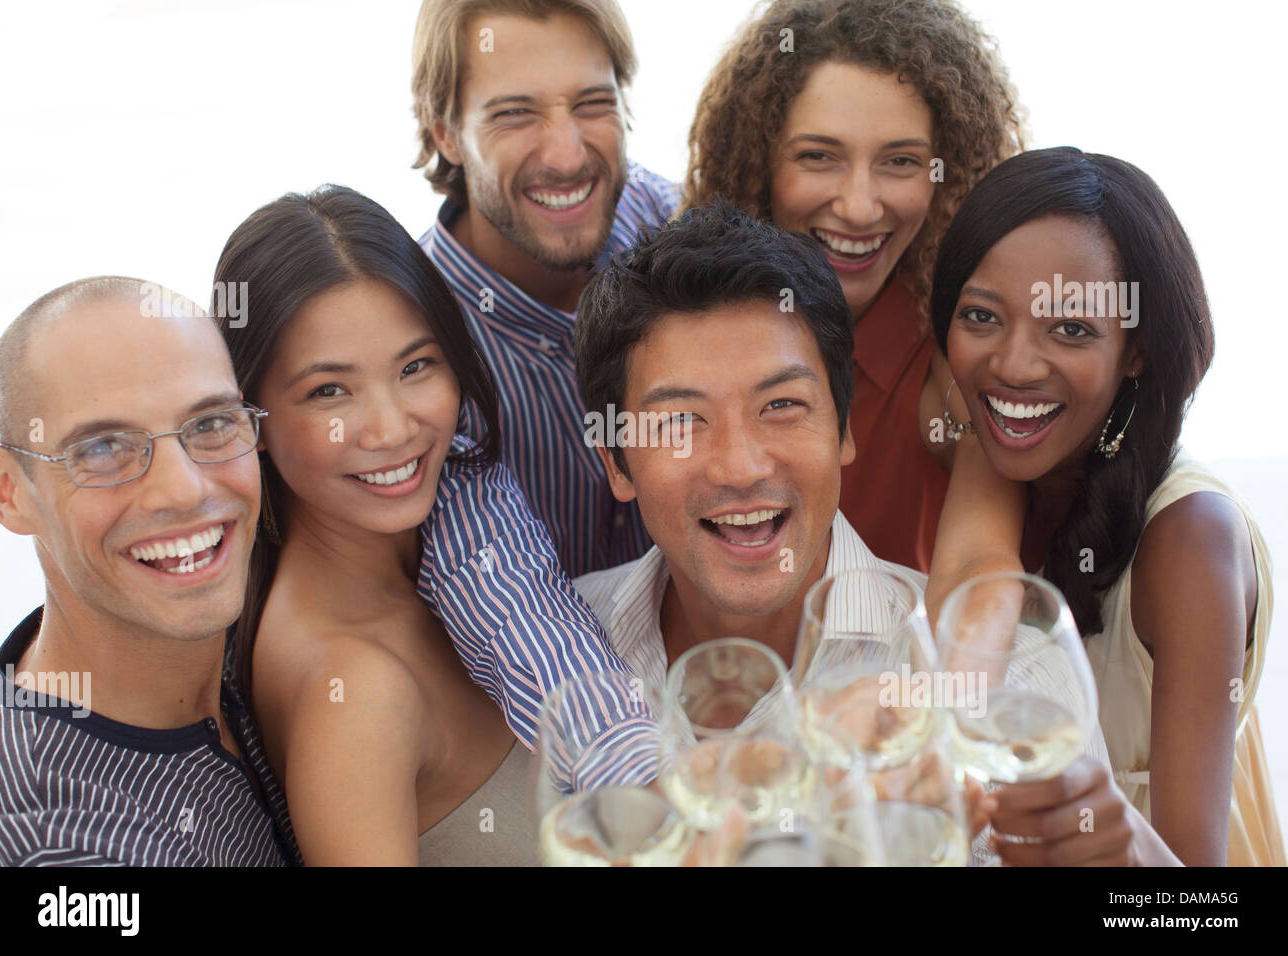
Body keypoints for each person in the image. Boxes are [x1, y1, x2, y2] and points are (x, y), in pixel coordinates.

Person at [570, 204, 1109, 847]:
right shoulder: (559, 662)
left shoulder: (1015, 686)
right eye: (681, 422)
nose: (741, 467)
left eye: (781, 406)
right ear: (618, 462)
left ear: (844, 428)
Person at [213, 185, 654, 865]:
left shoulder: (453, 532)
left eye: (415, 367)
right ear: (252, 419)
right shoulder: (355, 693)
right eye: (330, 390)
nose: (393, 429)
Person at [933, 146, 1284, 866]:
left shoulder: (1191, 540)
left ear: (1136, 351)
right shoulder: (982, 437)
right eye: (981, 316)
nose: (1014, 366)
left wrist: (1118, 836)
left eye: (1070, 329)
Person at [683, 0, 1025, 581]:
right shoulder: (685, 313)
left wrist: (957, 666)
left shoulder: (952, 343)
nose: (860, 207)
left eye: (901, 161)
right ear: (757, 163)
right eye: (818, 156)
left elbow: (981, 564)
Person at [0, 277, 299, 866]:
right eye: (102, 448)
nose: (183, 489)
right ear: (9, 491)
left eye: (210, 424)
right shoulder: (58, 851)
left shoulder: (261, 632)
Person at [412, 0, 681, 576]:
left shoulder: (678, 223)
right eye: (514, 113)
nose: (567, 156)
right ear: (447, 134)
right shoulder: (409, 340)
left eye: (592, 104)